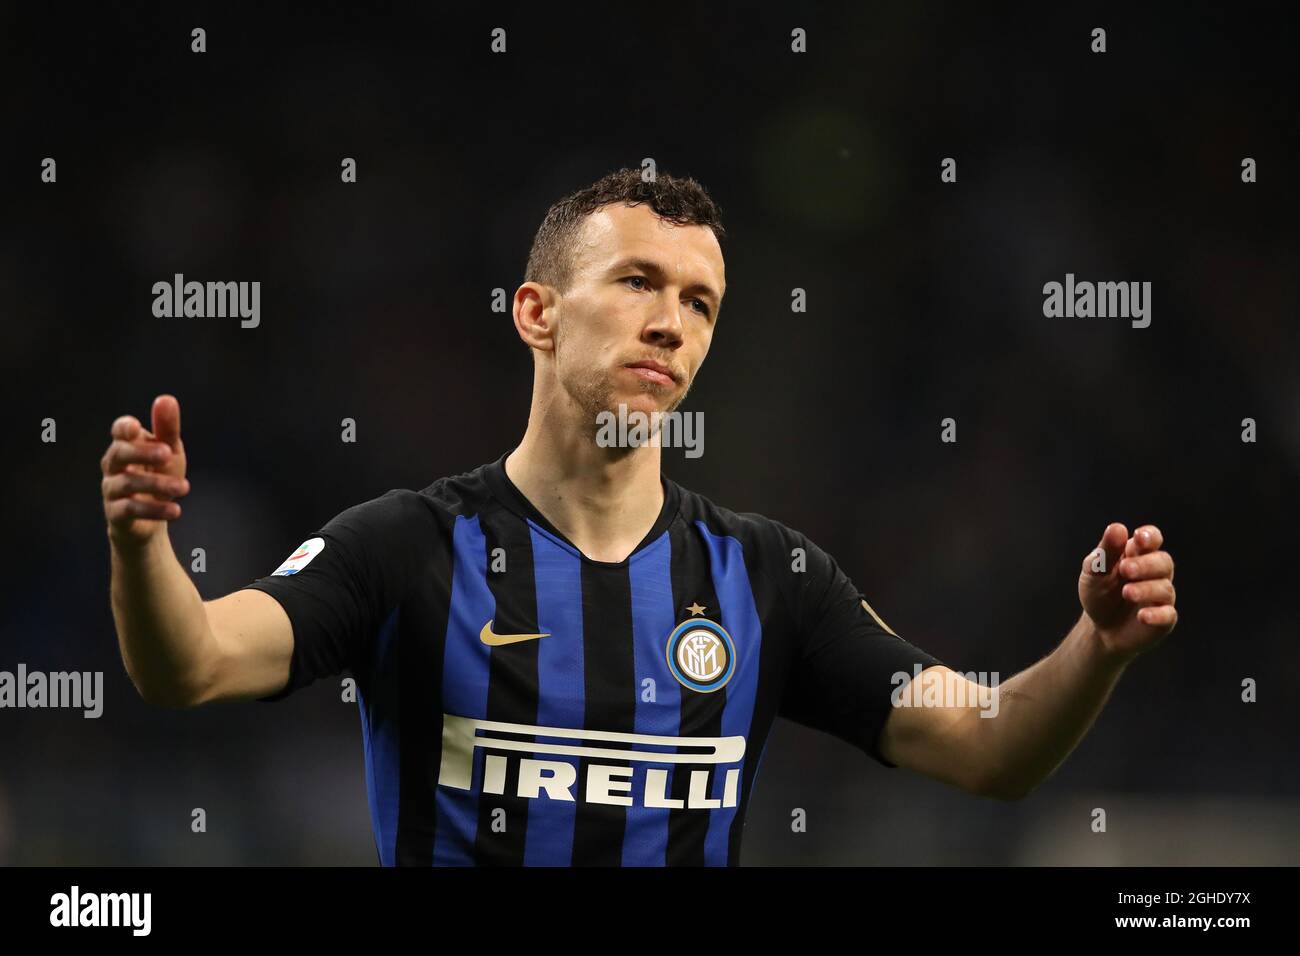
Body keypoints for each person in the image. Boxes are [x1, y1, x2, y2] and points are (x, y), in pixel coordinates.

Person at [101, 168, 1178, 866]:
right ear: (536, 311)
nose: (669, 322)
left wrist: (1096, 646)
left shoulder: (768, 578)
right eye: (635, 281)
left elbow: (989, 747)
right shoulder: (405, 548)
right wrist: (140, 543)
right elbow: (186, 662)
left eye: (698, 301)